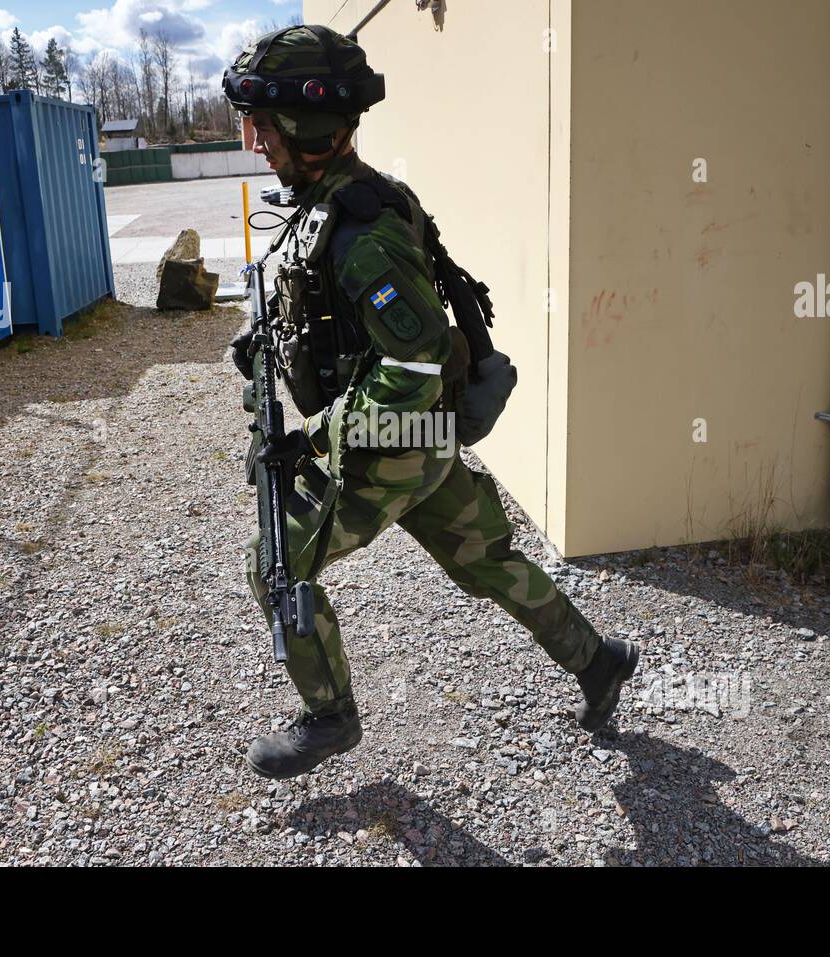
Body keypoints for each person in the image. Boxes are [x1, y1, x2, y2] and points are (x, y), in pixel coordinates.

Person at [223, 25, 639, 780]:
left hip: (388, 446)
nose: (254, 142)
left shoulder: (364, 234)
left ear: (304, 124)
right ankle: (598, 661)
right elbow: (329, 316)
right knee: (491, 559)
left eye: (261, 124)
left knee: (275, 565)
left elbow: (410, 369)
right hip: (419, 440)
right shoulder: (336, 200)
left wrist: (317, 437)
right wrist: (263, 346)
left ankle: (330, 716)